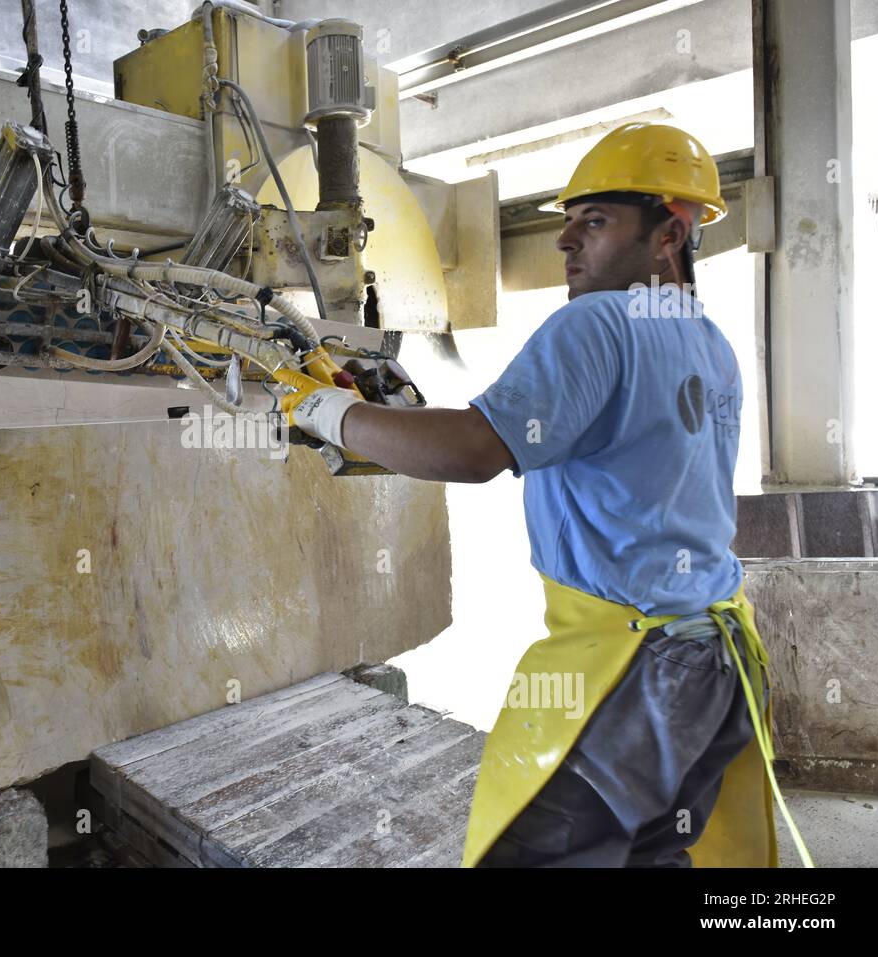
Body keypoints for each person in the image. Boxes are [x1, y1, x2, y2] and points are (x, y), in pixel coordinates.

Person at [281, 123, 794, 867]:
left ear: (669, 233)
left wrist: (329, 411)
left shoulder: (597, 322)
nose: (564, 241)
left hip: (638, 667)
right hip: (717, 667)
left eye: (595, 220)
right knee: (650, 854)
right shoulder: (708, 342)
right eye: (568, 221)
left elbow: (474, 449)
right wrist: (375, 425)